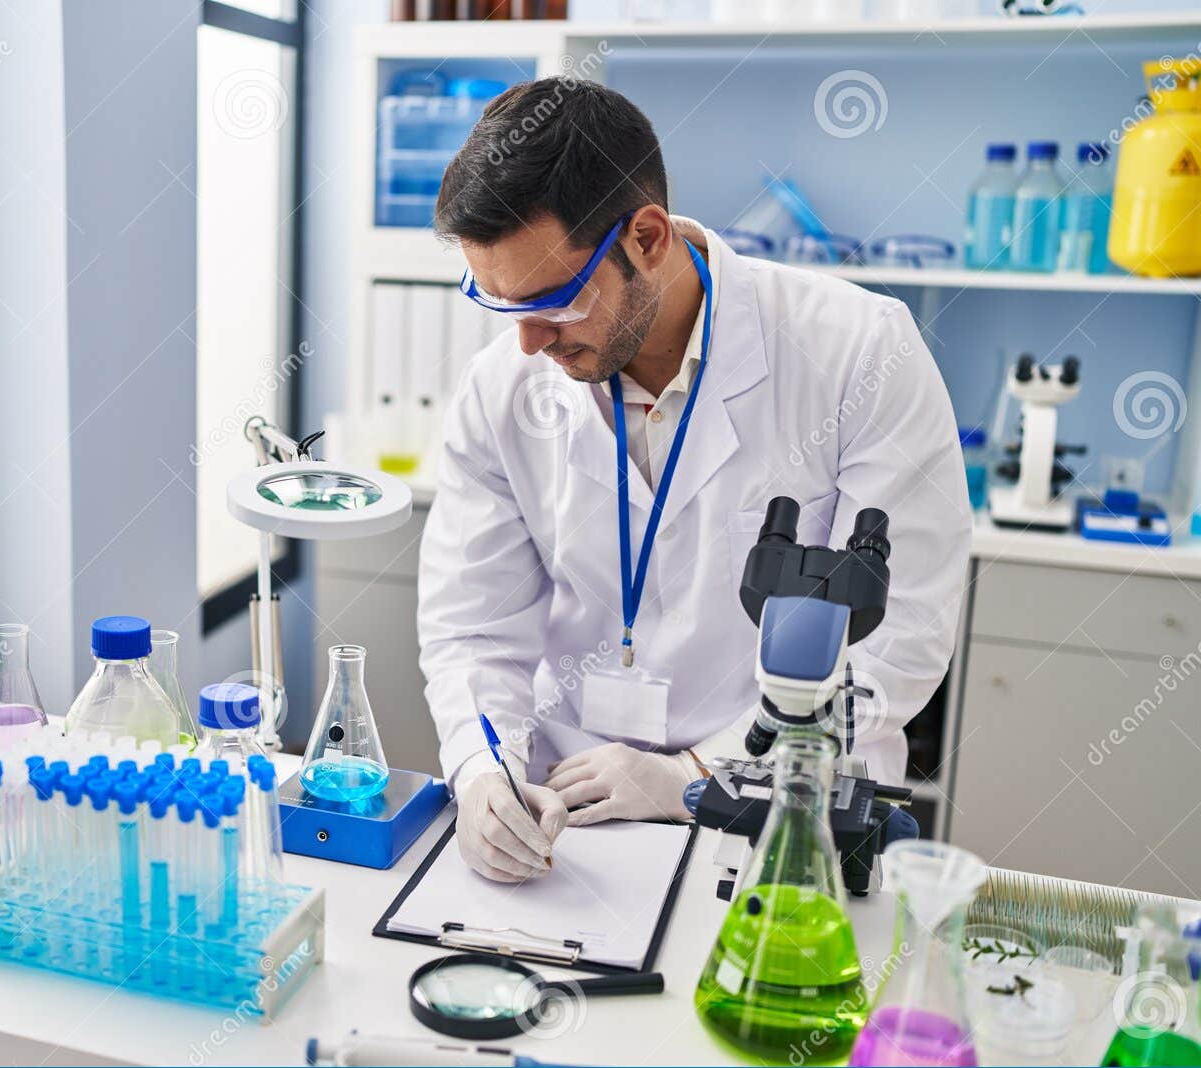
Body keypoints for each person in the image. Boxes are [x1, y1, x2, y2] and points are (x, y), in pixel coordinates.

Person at [416, 78, 970, 884]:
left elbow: (900, 634)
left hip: (784, 812)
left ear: (647, 238)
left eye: (554, 301)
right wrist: (482, 770)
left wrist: (699, 776)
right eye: (500, 304)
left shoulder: (858, 350)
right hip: (568, 820)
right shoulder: (503, 385)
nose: (529, 341)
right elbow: (473, 625)